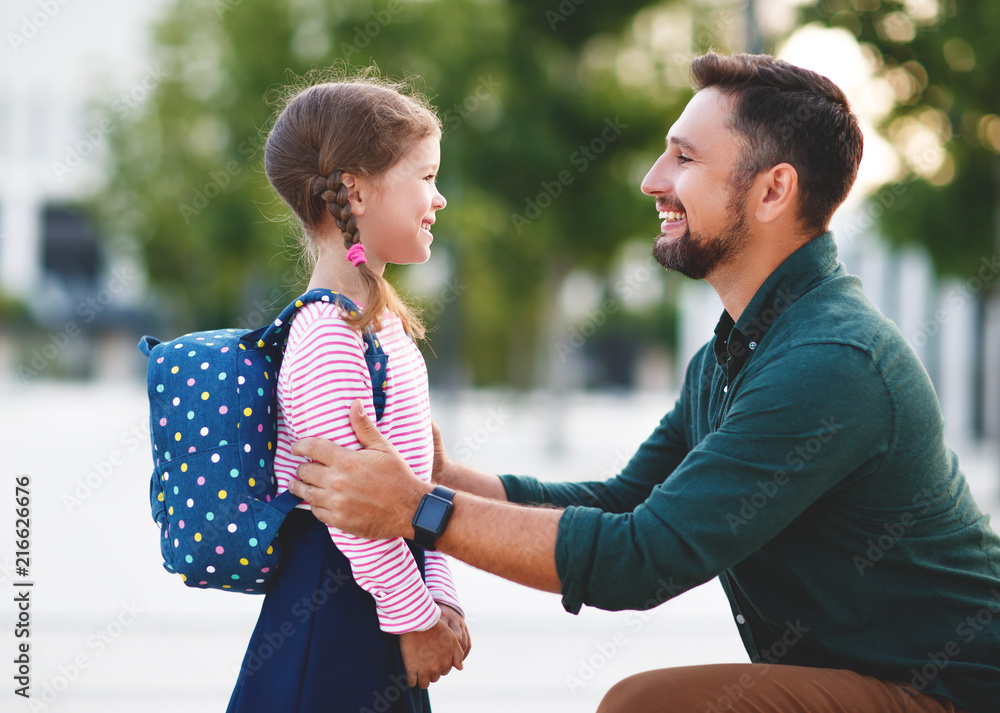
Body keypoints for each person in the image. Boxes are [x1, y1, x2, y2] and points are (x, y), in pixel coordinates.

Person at [285, 52, 1000, 713]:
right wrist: (443, 479)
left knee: (649, 707)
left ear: (774, 189)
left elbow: (643, 558)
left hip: (945, 689)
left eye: (684, 158)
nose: (651, 179)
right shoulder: (735, 352)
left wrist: (420, 510)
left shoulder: (830, 362)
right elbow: (626, 501)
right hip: (865, 673)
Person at [227, 76, 470, 713]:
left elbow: (415, 486)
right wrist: (417, 619)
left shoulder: (379, 325)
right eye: (426, 177)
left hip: (384, 602)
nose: (439, 198)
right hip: (339, 620)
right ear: (356, 190)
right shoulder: (330, 335)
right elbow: (352, 511)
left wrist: (439, 598)